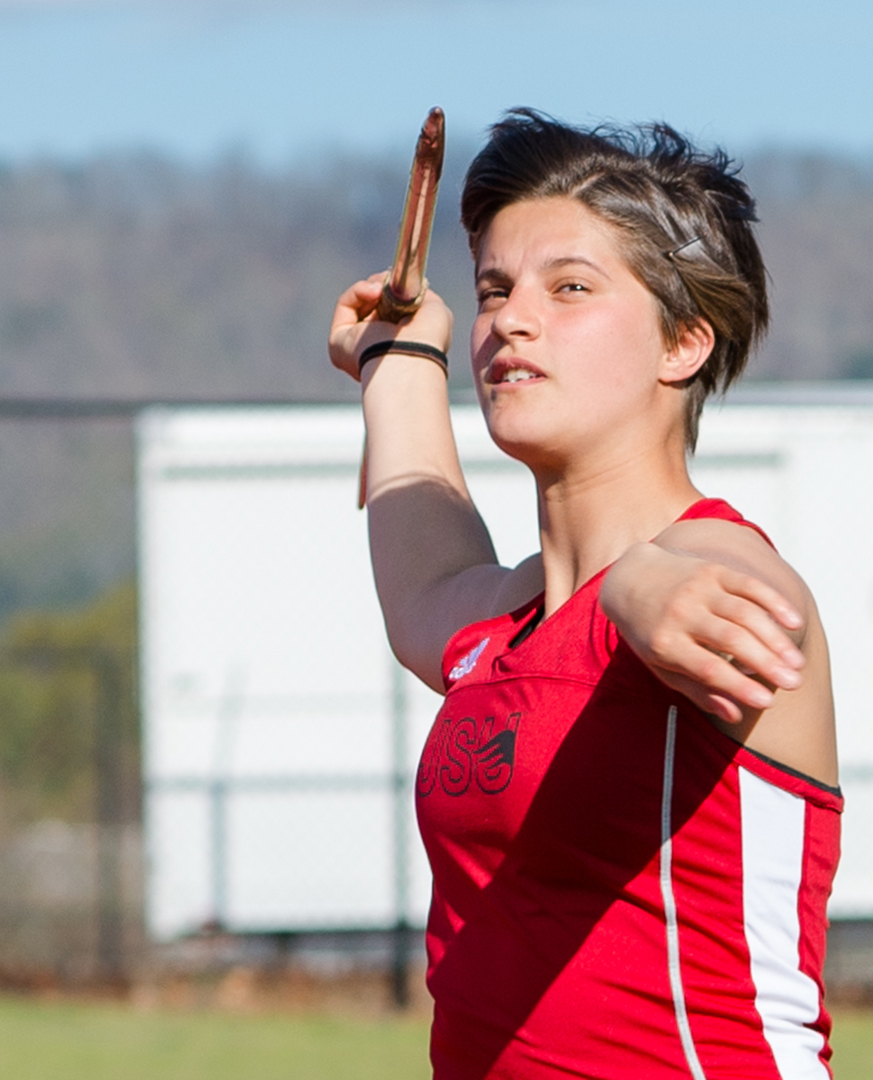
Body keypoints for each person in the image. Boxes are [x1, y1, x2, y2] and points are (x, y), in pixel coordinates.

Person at [328, 110, 840, 1079]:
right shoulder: (511, 625)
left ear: (682, 343)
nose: (513, 318)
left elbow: (733, 594)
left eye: (571, 289)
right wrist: (398, 362)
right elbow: (422, 582)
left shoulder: (719, 574)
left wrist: (638, 586)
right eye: (494, 289)